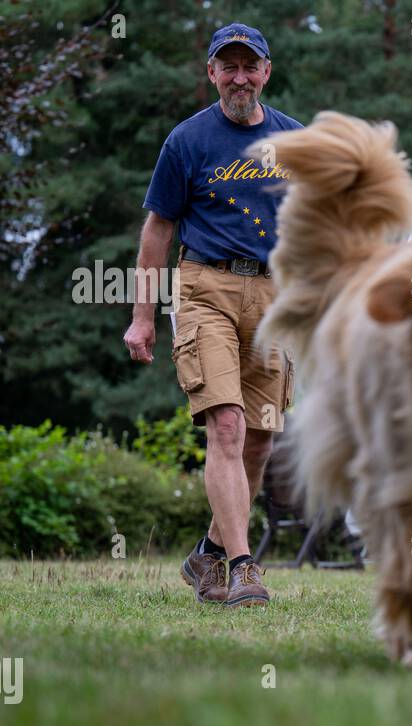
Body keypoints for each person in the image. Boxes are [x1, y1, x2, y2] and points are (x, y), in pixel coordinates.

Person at [122, 23, 303, 606]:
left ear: (267, 72)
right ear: (212, 73)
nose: (239, 77)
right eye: (228, 66)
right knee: (227, 426)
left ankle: (207, 553)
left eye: (250, 66)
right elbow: (158, 229)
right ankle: (244, 568)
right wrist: (142, 317)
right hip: (205, 288)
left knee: (259, 443)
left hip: (274, 297)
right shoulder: (188, 142)